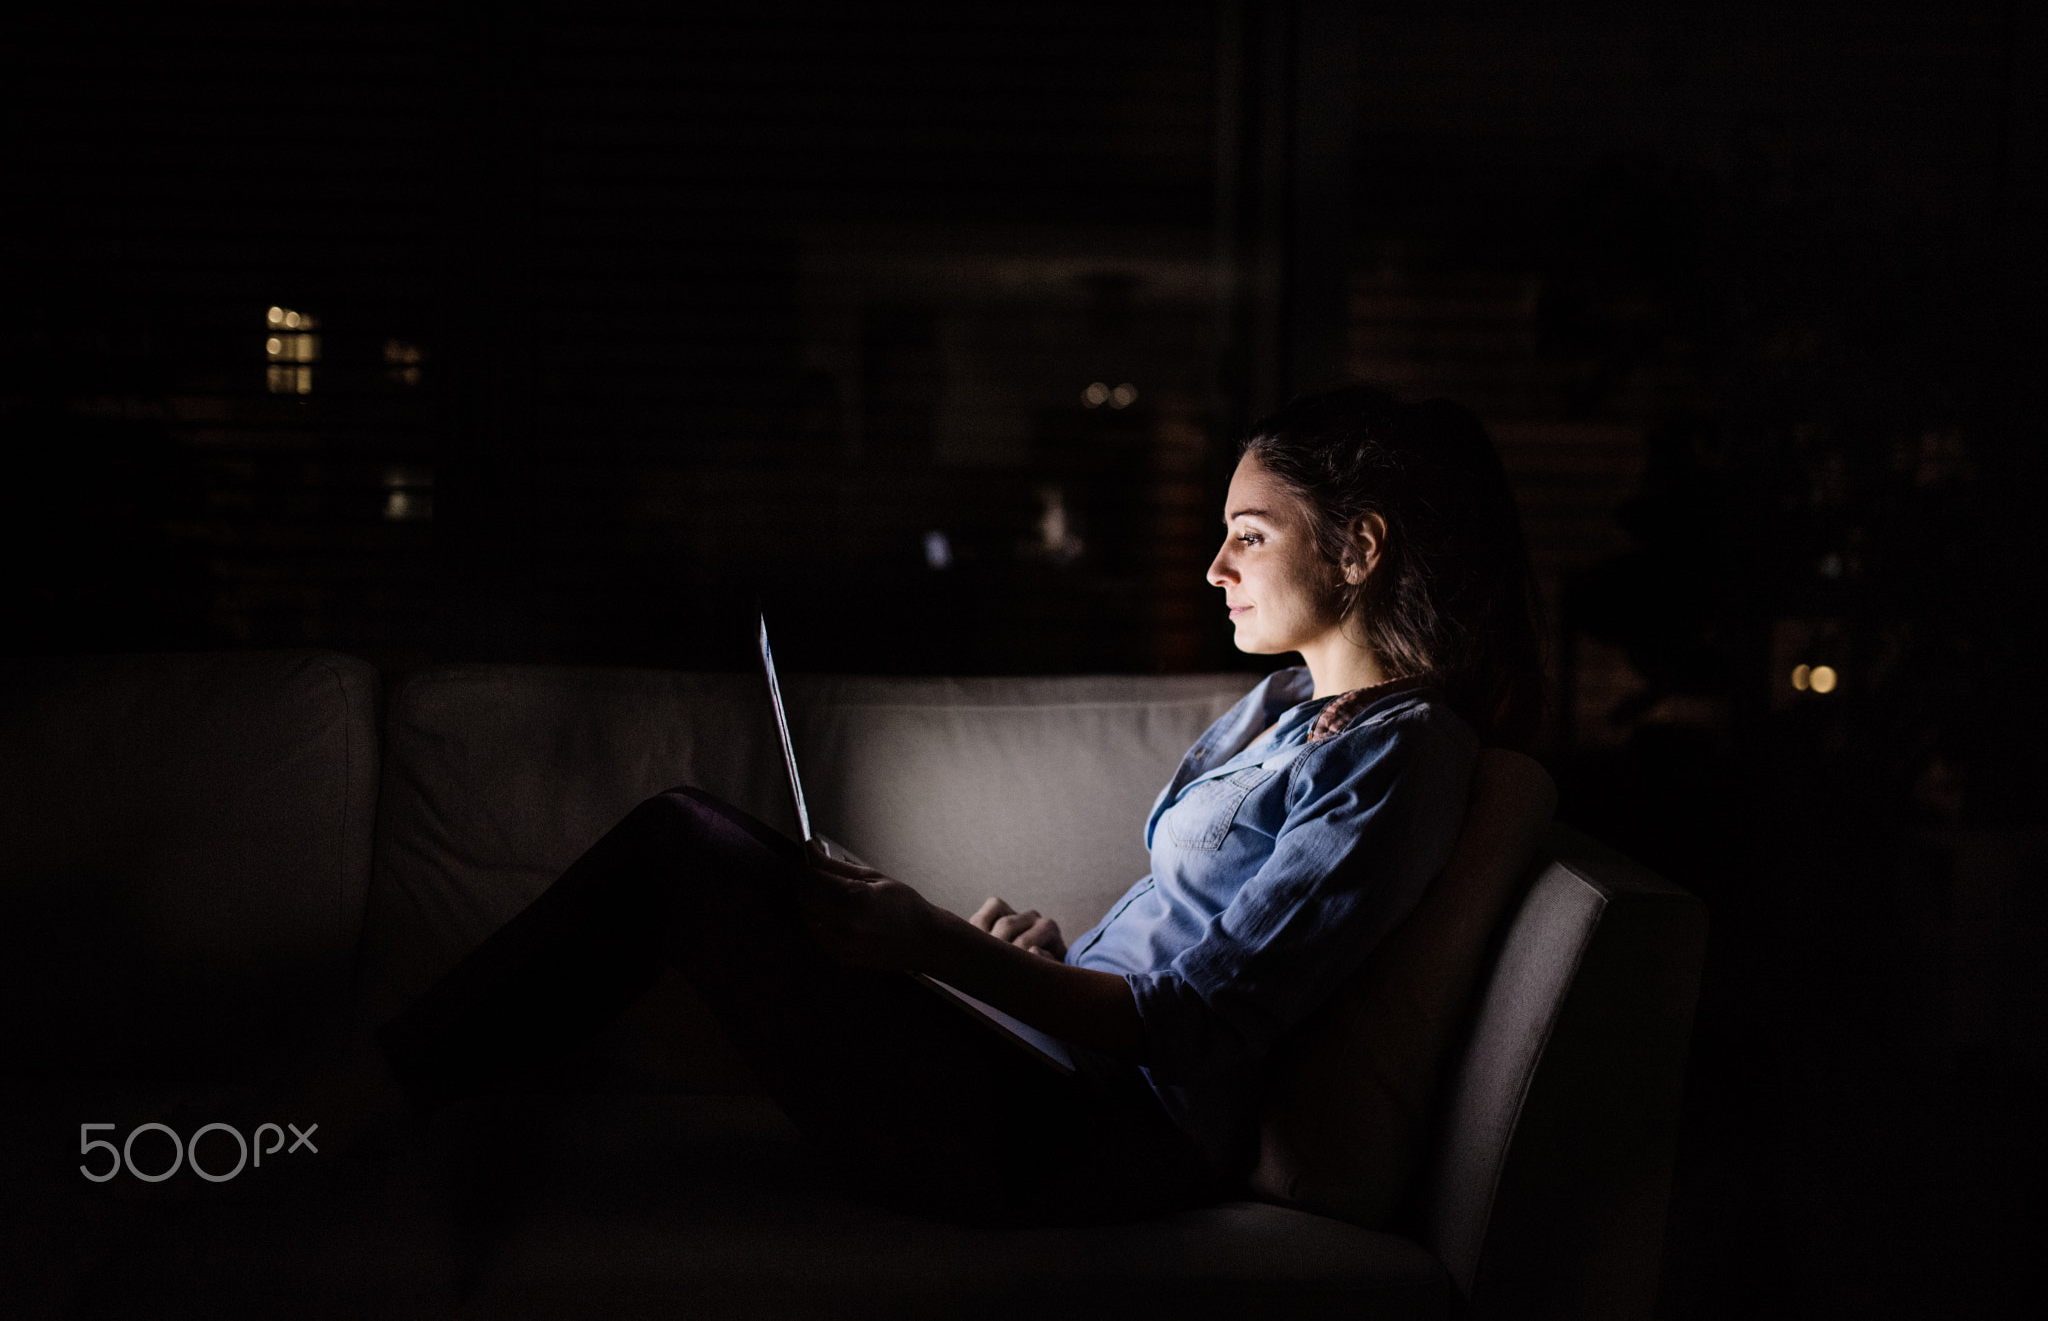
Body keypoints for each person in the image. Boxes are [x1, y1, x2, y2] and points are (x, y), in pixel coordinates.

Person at [373, 384, 1542, 1226]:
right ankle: (421, 1101)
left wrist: (931, 943)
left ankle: (372, 1104)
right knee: (717, 858)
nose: (1213, 569)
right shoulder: (1282, 707)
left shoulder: (1401, 757)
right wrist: (1030, 964)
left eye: (1247, 535)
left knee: (688, 845)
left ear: (1359, 549)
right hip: (1043, 1074)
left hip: (1097, 1145)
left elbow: (1191, 1024)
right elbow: (1167, 937)